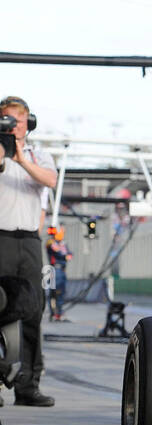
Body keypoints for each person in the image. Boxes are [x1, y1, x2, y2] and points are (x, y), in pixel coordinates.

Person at [0, 96, 58, 406]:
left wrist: (21, 159)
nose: (14, 127)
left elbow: (50, 180)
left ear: (28, 124)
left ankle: (28, 385)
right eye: (8, 120)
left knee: (33, 311)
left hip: (29, 241)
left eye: (19, 121)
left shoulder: (39, 155)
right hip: (0, 237)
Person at [44, 226, 72, 322]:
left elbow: (70, 254)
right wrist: (65, 256)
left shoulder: (63, 243)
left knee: (61, 292)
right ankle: (55, 313)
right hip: (55, 269)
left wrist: (66, 255)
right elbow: (60, 254)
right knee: (55, 292)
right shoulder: (51, 242)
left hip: (62, 270)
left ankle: (58, 313)